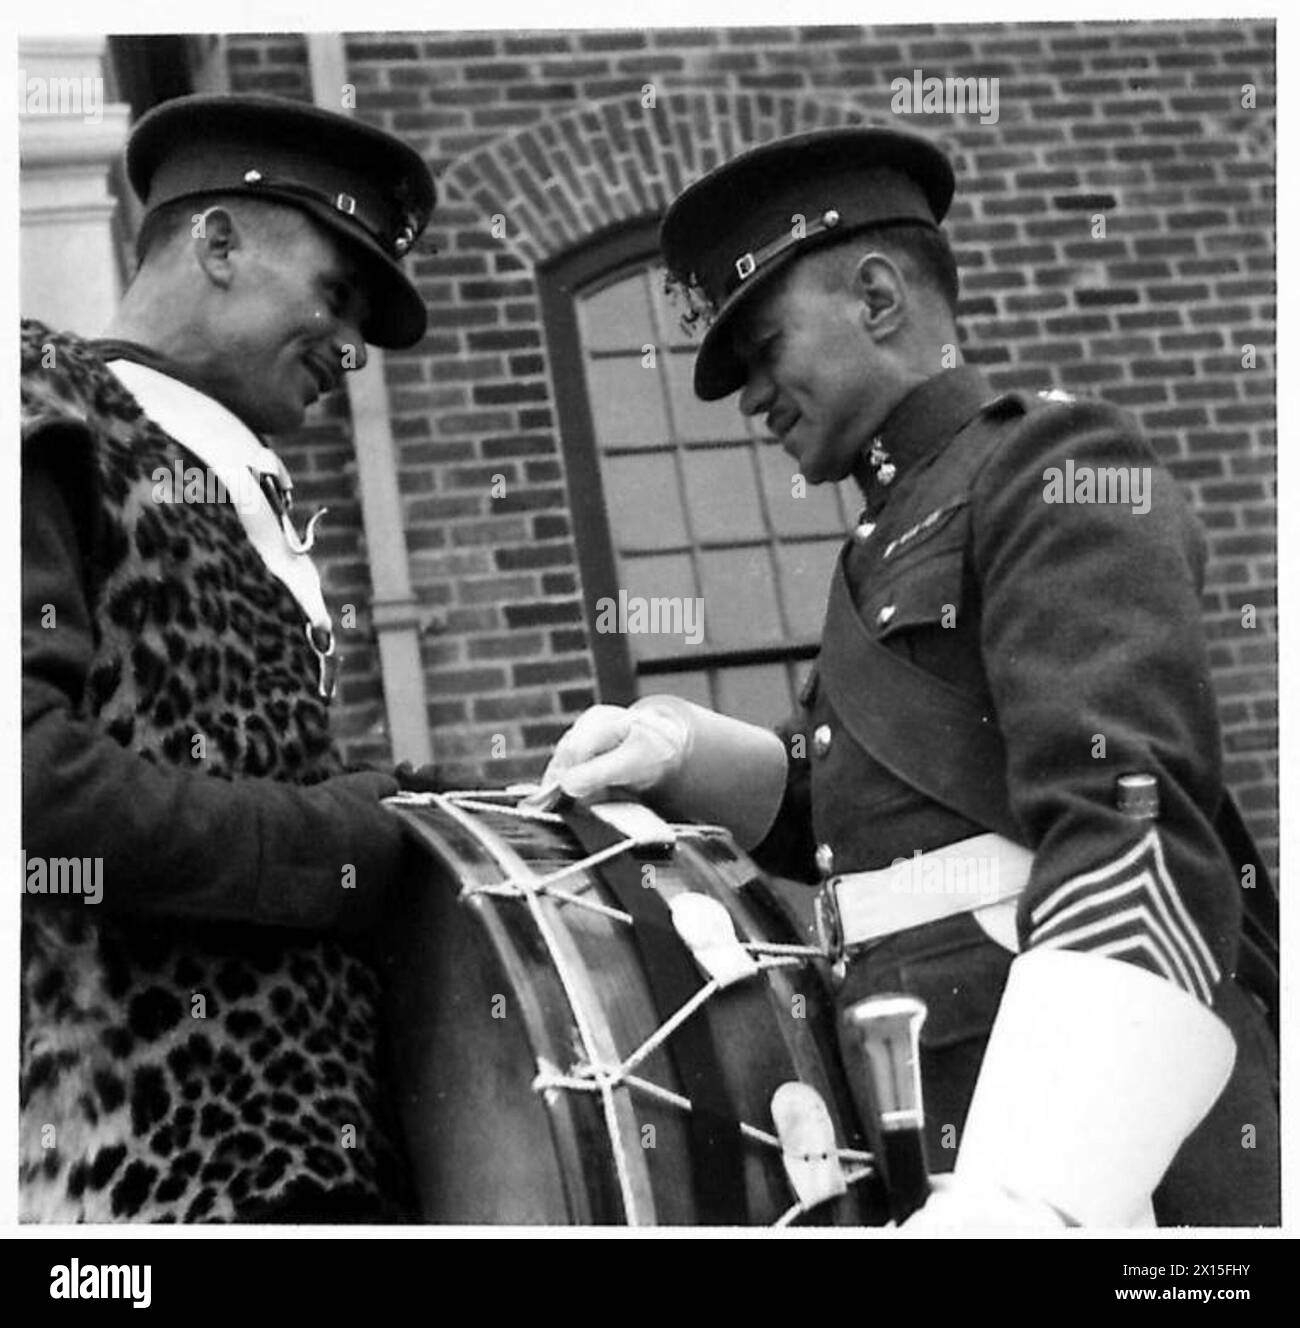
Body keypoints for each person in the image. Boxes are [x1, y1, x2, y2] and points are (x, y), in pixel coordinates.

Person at [540, 126, 1279, 1228]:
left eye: (761, 345)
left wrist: (1033, 1190)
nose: (750, 398)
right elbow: (898, 821)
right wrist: (691, 750)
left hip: (1107, 1148)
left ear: (877, 296)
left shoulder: (1054, 465)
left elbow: (1132, 826)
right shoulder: (881, 538)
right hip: (922, 1111)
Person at [21, 93, 438, 1222]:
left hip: (317, 1169)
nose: (349, 347)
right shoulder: (40, 405)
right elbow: (29, 797)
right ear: (216, 240)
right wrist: (356, 839)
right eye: (335, 295)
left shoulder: (217, 465)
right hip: (147, 1184)